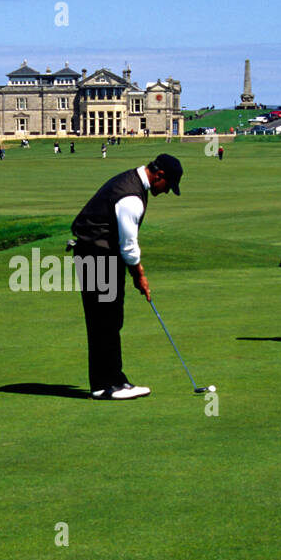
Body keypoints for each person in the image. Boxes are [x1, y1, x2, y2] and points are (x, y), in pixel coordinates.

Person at [70, 154, 184, 399]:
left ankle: (108, 382)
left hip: (98, 255)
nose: (165, 192)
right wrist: (139, 275)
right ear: (159, 175)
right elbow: (129, 247)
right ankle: (107, 385)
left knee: (108, 319)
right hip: (97, 256)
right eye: (168, 186)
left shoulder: (130, 181)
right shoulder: (131, 197)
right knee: (105, 320)